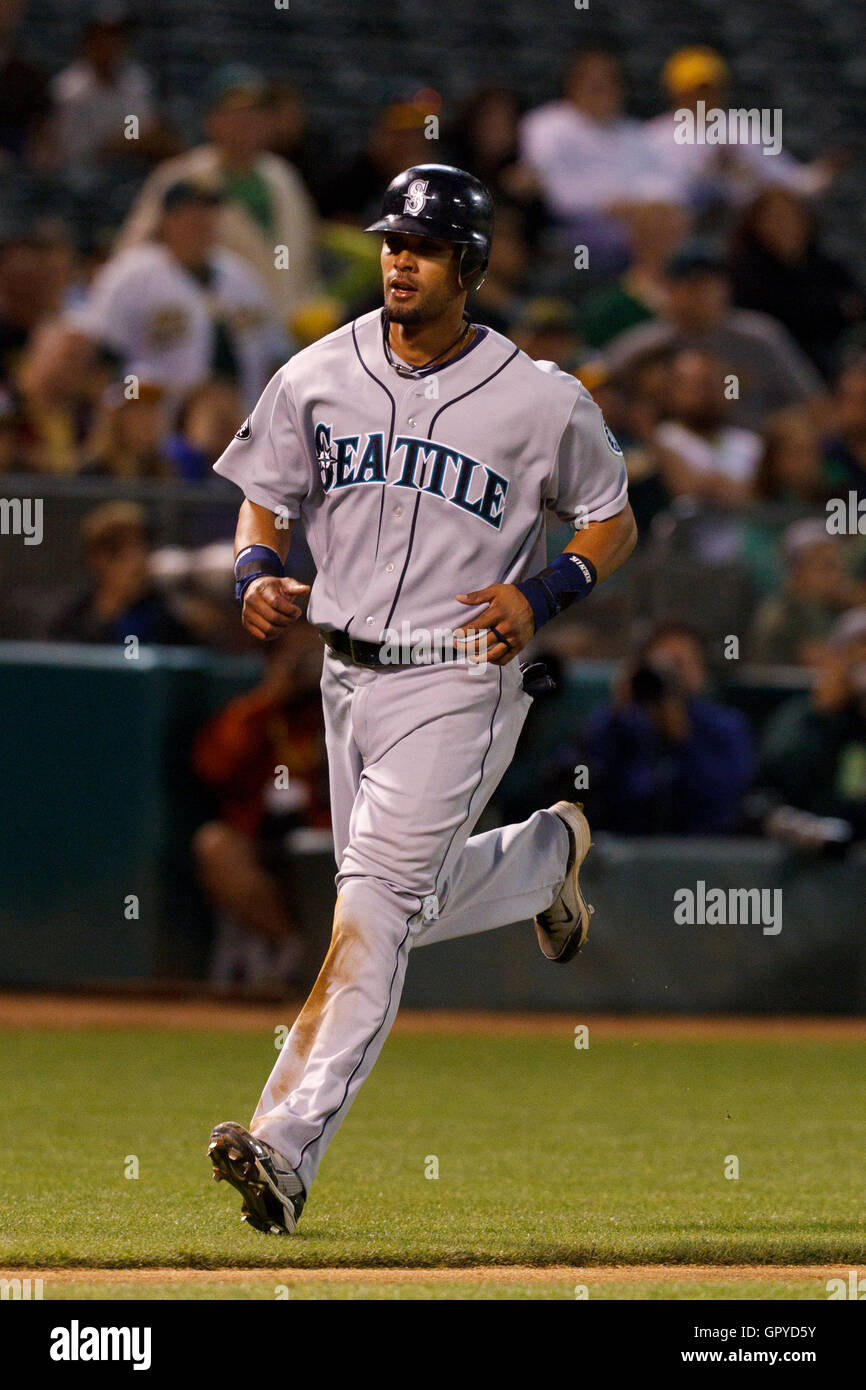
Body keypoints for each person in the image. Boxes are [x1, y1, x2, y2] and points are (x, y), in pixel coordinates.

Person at [205, 163, 636, 1234]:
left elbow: (609, 519)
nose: (400, 259)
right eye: (393, 241)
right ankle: (543, 857)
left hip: (461, 672)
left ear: (470, 265)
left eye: (426, 245)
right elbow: (264, 493)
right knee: (400, 901)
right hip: (343, 673)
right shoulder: (318, 371)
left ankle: (284, 1146)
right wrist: (255, 571)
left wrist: (547, 589)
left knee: (372, 905)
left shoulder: (539, 397)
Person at [116, 65, 319, 325]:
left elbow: (305, 259)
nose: (249, 123)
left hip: (286, 331)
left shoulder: (283, 175)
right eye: (236, 113)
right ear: (212, 120)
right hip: (212, 333)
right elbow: (132, 256)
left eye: (256, 113)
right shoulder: (182, 176)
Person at [193, 625, 330, 991]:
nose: (305, 666)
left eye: (313, 655)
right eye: (294, 656)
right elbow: (212, 766)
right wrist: (273, 693)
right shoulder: (254, 713)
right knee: (215, 845)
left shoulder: (336, 711)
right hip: (260, 841)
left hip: (326, 843)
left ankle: (335, 956)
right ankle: (294, 948)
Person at [72, 180, 287, 413]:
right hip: (157, 423)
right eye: (190, 215)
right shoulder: (130, 275)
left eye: (208, 214)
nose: (201, 223)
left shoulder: (240, 276)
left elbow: (275, 354)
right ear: (166, 221)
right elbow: (101, 355)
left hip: (244, 421)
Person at [604, 242, 825, 432]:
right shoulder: (639, 346)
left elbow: (812, 402)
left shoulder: (759, 336)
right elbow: (598, 399)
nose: (696, 295)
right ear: (668, 290)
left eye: (706, 284)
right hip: (671, 458)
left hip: (755, 453)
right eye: (686, 286)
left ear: (725, 287)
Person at [581, 622, 754, 834]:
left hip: (700, 848)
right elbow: (586, 790)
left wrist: (682, 739)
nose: (670, 676)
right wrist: (617, 713)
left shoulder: (725, 725)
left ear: (700, 671)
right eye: (660, 666)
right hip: (625, 845)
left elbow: (724, 799)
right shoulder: (619, 721)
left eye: (679, 664)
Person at [729, 189, 864, 377]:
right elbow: (766, 316)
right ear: (756, 224)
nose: (784, 225)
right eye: (774, 218)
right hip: (765, 358)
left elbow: (856, 305)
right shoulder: (742, 271)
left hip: (831, 352)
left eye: (790, 216)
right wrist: (831, 308)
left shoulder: (826, 264)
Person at [760, 608, 866, 843]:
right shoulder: (804, 713)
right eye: (854, 656)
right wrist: (823, 711)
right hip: (812, 846)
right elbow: (781, 774)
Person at [48, 500, 197, 644]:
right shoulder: (73, 615)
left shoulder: (166, 611)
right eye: (124, 554)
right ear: (99, 559)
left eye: (142, 548)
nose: (137, 562)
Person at [653, 348, 763, 506]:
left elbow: (767, 496)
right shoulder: (664, 438)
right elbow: (686, 489)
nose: (705, 394)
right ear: (670, 392)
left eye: (710, 383)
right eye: (693, 386)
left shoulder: (750, 442)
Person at [748, 519, 866, 665]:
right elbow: (816, 656)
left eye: (839, 567)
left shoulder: (836, 606)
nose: (837, 576)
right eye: (826, 567)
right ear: (797, 571)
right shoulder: (781, 615)